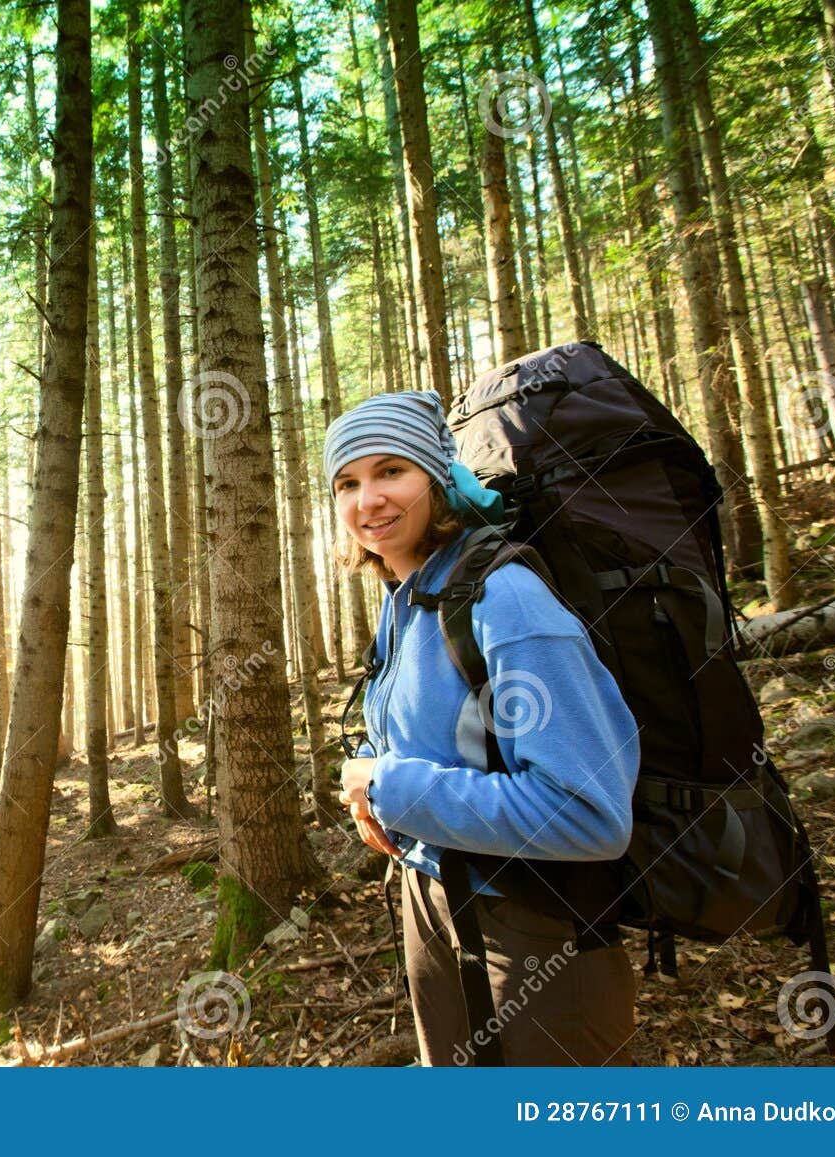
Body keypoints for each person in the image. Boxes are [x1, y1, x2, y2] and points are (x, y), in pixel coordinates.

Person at [324, 389, 642, 1067]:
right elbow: (422, 737)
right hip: (433, 902)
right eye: (347, 482)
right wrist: (367, 782)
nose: (367, 499)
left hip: (536, 930)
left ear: (438, 480)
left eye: (391, 471)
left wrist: (394, 786)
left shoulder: (506, 598)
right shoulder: (406, 600)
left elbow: (591, 813)